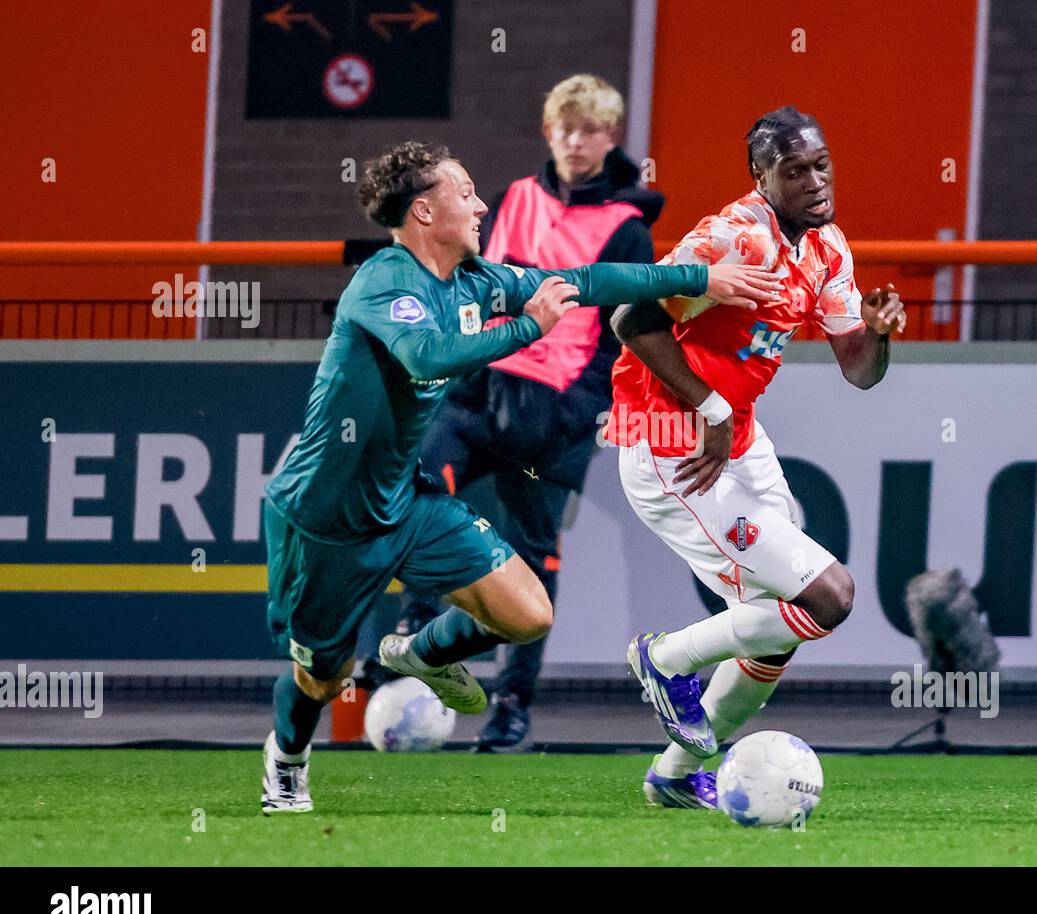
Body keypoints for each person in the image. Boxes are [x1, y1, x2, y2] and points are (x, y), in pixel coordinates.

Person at [260, 140, 780, 813]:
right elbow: (427, 356)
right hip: (325, 516)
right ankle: (287, 761)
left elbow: (586, 282)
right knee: (321, 680)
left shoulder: (477, 280)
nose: (481, 204)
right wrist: (529, 328)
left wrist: (694, 280)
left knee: (527, 613)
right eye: (465, 192)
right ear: (424, 210)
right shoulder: (386, 279)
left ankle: (421, 652)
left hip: (404, 502)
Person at [606, 107, 906, 809]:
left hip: (738, 440)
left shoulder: (828, 247)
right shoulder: (731, 238)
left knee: (774, 636)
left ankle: (675, 778)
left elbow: (859, 371)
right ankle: (664, 657)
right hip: (673, 447)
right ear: (761, 179)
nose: (814, 181)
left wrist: (879, 332)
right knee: (830, 596)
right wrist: (708, 407)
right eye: (793, 171)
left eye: (820, 164)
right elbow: (632, 318)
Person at [396, 75, 665, 753]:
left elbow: (624, 336)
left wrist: (578, 410)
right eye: (565, 128)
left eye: (591, 130)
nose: (577, 141)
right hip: (481, 385)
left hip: (554, 415)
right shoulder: (513, 197)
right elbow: (472, 280)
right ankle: (416, 631)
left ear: (611, 138)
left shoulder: (628, 230)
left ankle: (512, 705)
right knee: (417, 481)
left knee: (531, 559)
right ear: (550, 132)